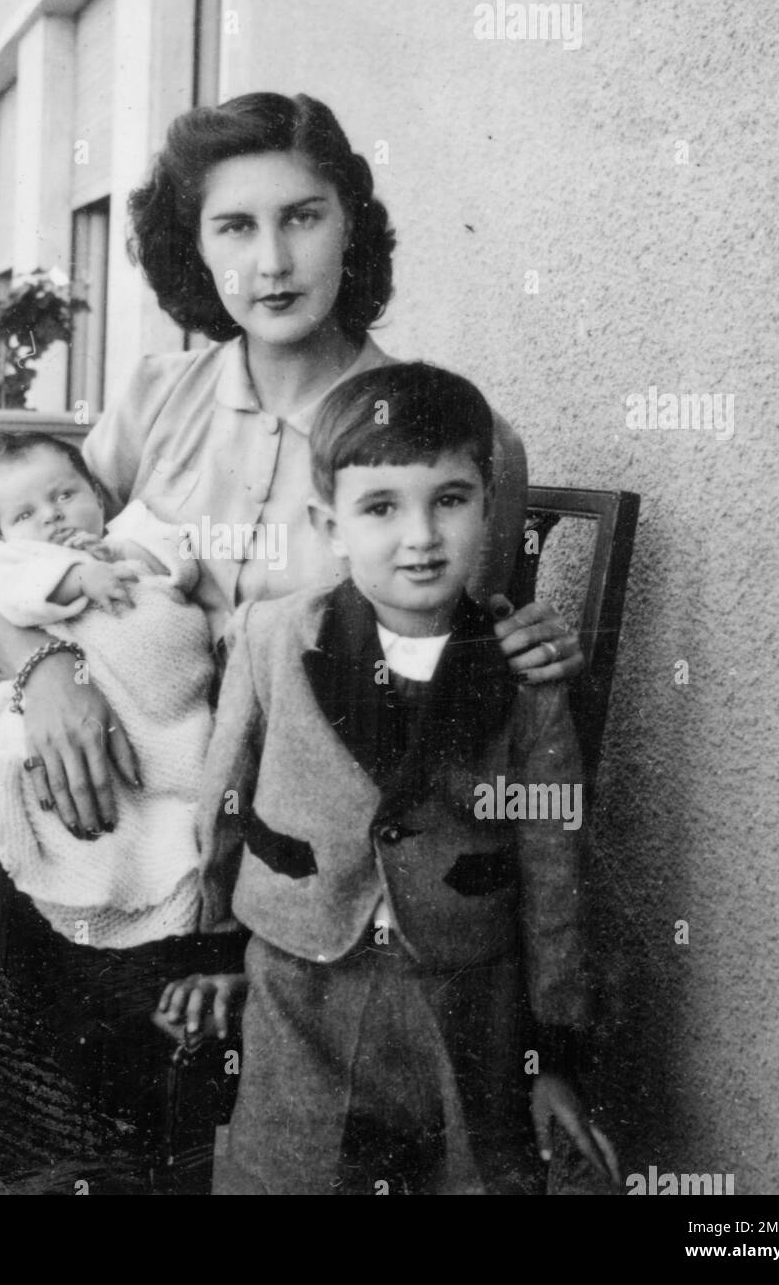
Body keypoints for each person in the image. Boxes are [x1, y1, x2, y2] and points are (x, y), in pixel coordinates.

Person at [0, 91, 583, 1194]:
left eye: (303, 217)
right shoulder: (156, 399)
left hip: (281, 882)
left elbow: (461, 670)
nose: (271, 260)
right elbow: (8, 578)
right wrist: (50, 674)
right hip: (124, 821)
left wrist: (524, 638)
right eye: (235, 226)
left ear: (351, 229)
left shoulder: (424, 434)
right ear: (195, 247)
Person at [159, 361, 617, 1195]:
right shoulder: (271, 636)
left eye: (448, 500)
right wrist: (216, 947)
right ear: (327, 523)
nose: (419, 538)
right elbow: (224, 799)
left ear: (487, 508)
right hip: (300, 974)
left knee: (469, 1174)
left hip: (462, 988)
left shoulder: (523, 667)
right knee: (287, 1172)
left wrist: (554, 1054)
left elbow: (553, 865)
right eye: (379, 507)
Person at [0, 430, 215, 948]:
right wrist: (80, 575)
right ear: (4, 538)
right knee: (11, 783)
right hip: (74, 705)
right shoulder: (19, 563)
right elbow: (12, 595)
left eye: (64, 495)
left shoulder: (135, 529)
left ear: (98, 497)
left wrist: (118, 552)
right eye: (24, 515)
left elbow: (181, 561)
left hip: (163, 706)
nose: (51, 516)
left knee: (177, 807)